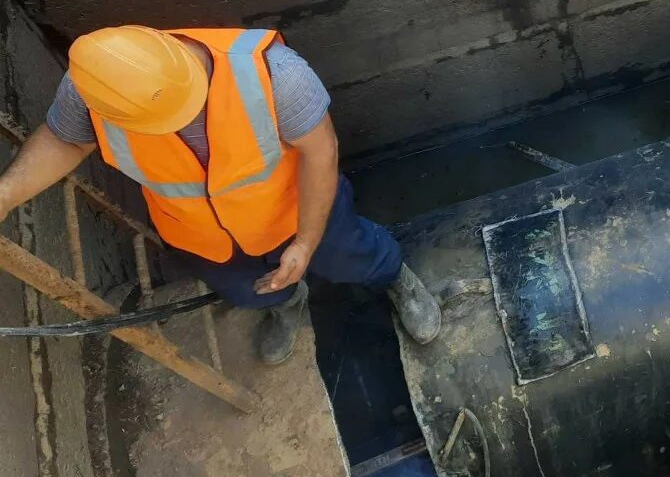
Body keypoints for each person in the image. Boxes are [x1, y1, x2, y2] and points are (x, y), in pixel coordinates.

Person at [0, 26, 441, 364]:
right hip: (203, 238)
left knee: (349, 253)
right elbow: (67, 140)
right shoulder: (95, 91)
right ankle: (287, 305)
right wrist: (5, 195)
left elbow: (321, 153)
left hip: (296, 211)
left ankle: (394, 279)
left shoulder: (276, 75)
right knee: (251, 290)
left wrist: (305, 243)